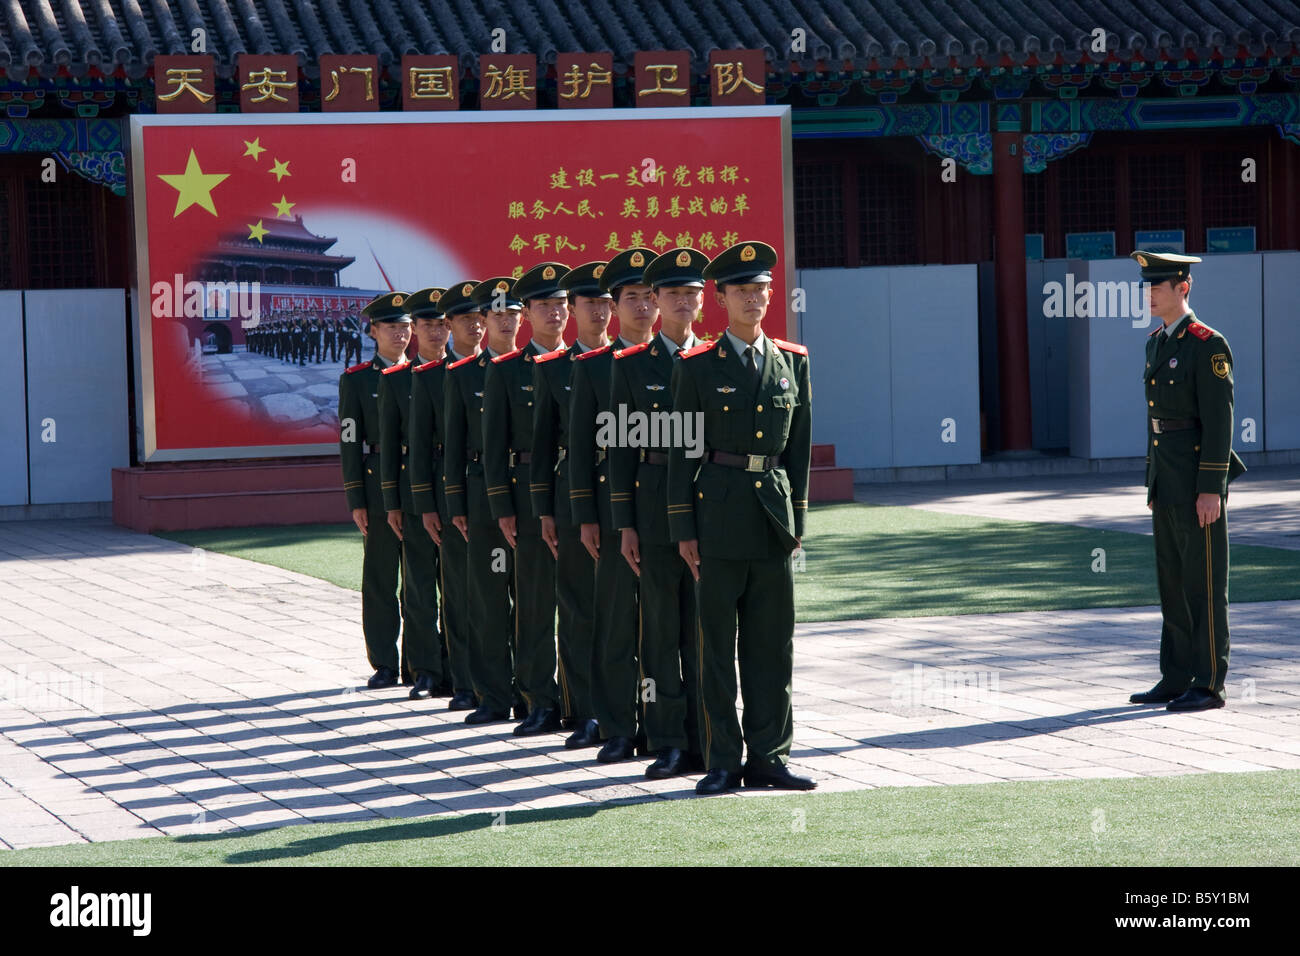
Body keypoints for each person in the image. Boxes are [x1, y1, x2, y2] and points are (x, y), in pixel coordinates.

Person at [667, 240, 815, 794]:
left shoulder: (792, 362)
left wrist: (797, 519)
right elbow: (683, 451)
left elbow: (797, 446)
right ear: (721, 298)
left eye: (761, 290)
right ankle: (723, 758)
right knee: (715, 646)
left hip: (772, 518)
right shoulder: (699, 365)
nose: (754, 299)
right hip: (717, 518)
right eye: (742, 291)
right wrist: (683, 527)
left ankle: (770, 756)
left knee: (771, 646)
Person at [1128, 251, 1246, 712]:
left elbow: (1219, 421)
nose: (1150, 294)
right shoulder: (1157, 342)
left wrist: (1210, 487)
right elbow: (1156, 423)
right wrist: (1153, 482)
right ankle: (1175, 675)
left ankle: (1209, 680)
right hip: (1168, 479)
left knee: (1204, 583)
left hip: (1198, 480)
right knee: (1173, 582)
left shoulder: (1207, 344)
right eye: (1147, 286)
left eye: (1159, 286)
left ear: (1184, 288)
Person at [610, 247, 709, 779]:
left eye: (692, 293)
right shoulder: (633, 365)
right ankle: (669, 738)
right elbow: (620, 449)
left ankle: (709, 733)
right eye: (672, 294)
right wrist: (624, 522)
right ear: (655, 301)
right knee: (661, 629)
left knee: (707, 628)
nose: (683, 302)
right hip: (651, 509)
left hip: (708, 504)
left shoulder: (718, 356)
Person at [569, 248, 657, 763]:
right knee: (617, 621)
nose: (643, 308)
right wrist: (585, 516)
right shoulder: (594, 366)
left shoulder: (686, 360)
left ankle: (669, 723)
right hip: (611, 510)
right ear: (615, 307)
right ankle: (618, 724)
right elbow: (580, 448)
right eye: (632, 299)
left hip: (673, 511)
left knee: (669, 625)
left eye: (650, 297)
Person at [481, 264, 570, 737]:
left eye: (560, 304)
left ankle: (582, 699)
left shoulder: (584, 363)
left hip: (576, 492)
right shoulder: (507, 371)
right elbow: (493, 446)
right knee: (535, 602)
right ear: (528, 314)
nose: (554, 313)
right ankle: (539, 698)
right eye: (543, 306)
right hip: (524, 493)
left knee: (580, 602)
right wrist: (503, 508)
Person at [532, 261, 612, 749]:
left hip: (632, 498)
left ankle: (631, 707)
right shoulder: (555, 369)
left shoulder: (637, 359)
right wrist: (545, 510)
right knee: (579, 608)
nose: (600, 311)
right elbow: (543, 447)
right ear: (574, 310)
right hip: (573, 500)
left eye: (607, 302)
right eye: (590, 303)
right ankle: (583, 709)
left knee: (627, 612)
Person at [444, 278, 522, 724]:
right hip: (483, 503)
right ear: (483, 321)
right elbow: (453, 445)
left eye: (512, 314)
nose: (505, 322)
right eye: (496, 315)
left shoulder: (538, 367)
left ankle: (535, 693)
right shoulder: (464, 375)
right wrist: (456, 505)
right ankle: (492, 693)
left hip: (530, 497)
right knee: (490, 597)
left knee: (532, 600)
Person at [338, 291, 415, 690]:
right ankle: (385, 661)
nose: (400, 334)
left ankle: (422, 663)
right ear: (373, 331)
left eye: (405, 326)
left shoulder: (425, 373)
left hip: (420, 486)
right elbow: (349, 440)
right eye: (391, 327)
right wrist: (357, 498)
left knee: (422, 579)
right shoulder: (357, 380)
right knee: (382, 578)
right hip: (376, 487)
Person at [378, 288, 451, 700]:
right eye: (428, 325)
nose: (437, 331)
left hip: (461, 489)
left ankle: (456, 665)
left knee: (460, 588)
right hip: (415, 493)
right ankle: (425, 669)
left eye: (443, 324)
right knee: (421, 586)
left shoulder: (467, 370)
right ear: (415, 330)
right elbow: (391, 446)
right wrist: (392, 502)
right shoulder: (398, 380)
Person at [418, 285, 486, 712]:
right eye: (465, 320)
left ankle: (503, 678)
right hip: (451, 494)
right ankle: (463, 679)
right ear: (448, 326)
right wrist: (428, 504)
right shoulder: (429, 379)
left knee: (499, 593)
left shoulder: (497, 368)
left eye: (481, 318)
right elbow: (423, 446)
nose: (476, 326)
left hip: (495, 491)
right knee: (460, 592)